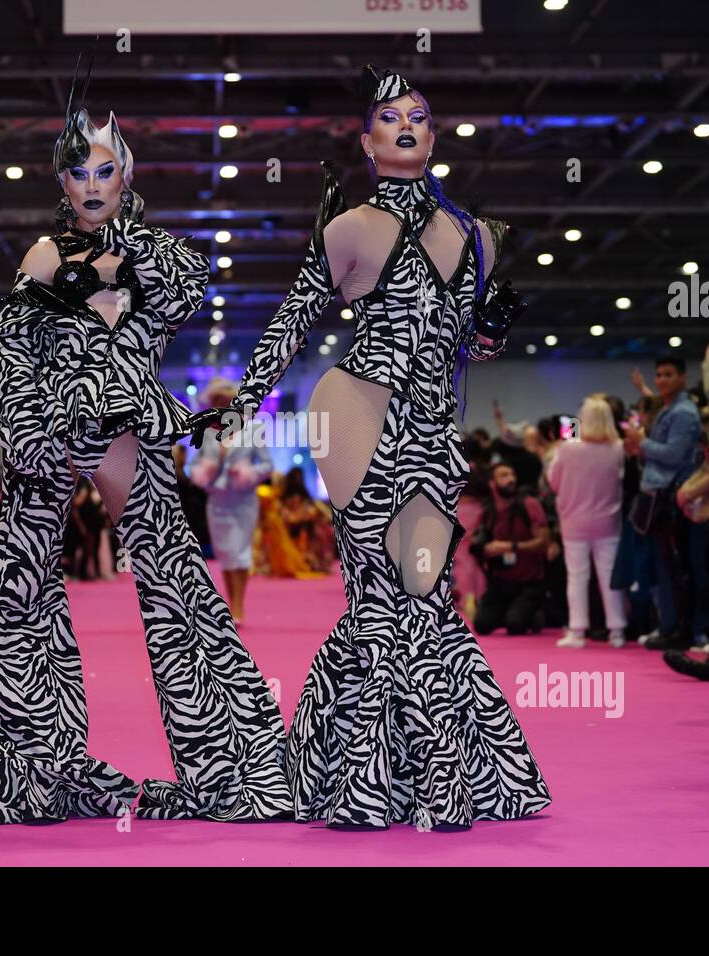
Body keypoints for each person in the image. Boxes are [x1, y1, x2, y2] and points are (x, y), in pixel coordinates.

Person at [190, 65, 550, 829]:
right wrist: (240, 406)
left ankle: (366, 769)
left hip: (429, 423)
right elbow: (292, 319)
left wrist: (488, 331)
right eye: (390, 117)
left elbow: (468, 349)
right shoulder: (351, 227)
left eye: (419, 112)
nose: (407, 124)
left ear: (435, 132)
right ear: (367, 140)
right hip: (354, 405)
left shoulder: (478, 235)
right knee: (380, 594)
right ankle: (369, 783)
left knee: (426, 592)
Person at [0, 93, 290, 825]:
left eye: (106, 169)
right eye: (78, 171)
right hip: (49, 432)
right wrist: (25, 424)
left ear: (126, 175)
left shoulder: (158, 255)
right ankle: (32, 769)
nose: (93, 184)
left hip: (129, 423)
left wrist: (112, 261)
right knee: (18, 594)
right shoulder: (41, 255)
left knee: (177, 592)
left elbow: (187, 285)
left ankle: (229, 768)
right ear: (60, 182)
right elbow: (10, 350)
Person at [624, 354, 703, 650]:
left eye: (668, 374)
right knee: (666, 569)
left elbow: (674, 454)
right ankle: (671, 626)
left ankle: (682, 629)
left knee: (677, 568)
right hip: (661, 494)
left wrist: (641, 441)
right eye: (658, 375)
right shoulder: (670, 409)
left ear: (682, 377)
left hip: (671, 496)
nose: (661, 380)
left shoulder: (683, 412)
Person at [188, 378, 272, 623]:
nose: (221, 406)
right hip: (217, 500)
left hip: (243, 500)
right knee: (226, 553)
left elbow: (266, 465)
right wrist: (204, 471)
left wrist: (247, 473)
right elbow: (194, 465)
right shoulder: (206, 433)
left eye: (225, 402)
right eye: (216, 402)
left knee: (240, 551)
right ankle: (230, 600)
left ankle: (238, 604)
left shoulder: (253, 430)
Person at [548, 396, 627, 647]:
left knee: (577, 576)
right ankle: (617, 631)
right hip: (609, 521)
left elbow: (553, 481)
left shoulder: (568, 448)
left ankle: (577, 630)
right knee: (609, 576)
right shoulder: (618, 447)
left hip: (574, 521)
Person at [472, 463, 552, 636]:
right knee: (481, 625)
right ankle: (510, 612)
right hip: (500, 582)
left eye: (512, 475)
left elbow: (544, 542)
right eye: (504, 475)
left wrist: (511, 547)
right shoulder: (487, 511)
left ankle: (535, 613)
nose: (511, 480)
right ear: (492, 483)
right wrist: (485, 549)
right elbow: (476, 546)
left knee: (516, 626)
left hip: (529, 581)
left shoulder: (529, 504)